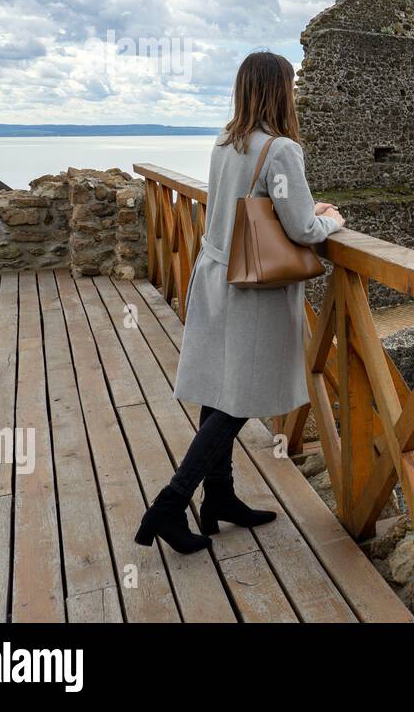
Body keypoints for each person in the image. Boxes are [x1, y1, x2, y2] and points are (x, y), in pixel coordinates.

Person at [135, 51, 344, 554]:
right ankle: (169, 504)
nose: (295, 92)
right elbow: (301, 228)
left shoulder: (226, 140)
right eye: (291, 85)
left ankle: (220, 496)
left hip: (215, 275)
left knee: (219, 387)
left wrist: (299, 208)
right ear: (280, 89)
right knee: (238, 400)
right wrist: (331, 219)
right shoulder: (282, 149)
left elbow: (249, 206)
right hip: (254, 292)